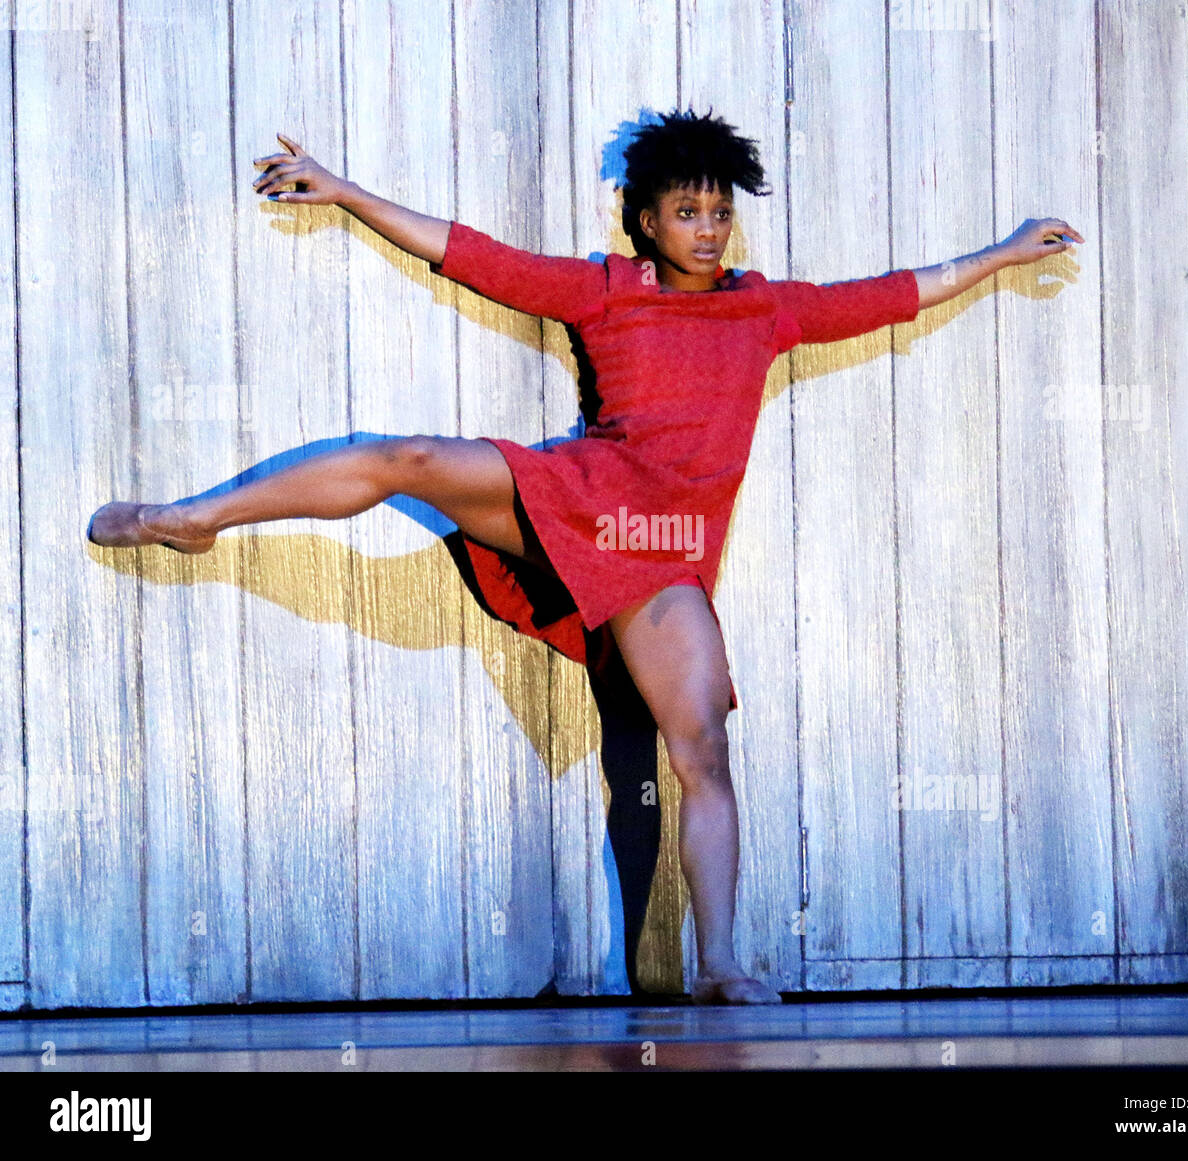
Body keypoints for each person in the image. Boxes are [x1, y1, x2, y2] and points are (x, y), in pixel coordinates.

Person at [88, 108, 1082, 1004]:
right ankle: (196, 516)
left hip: (663, 552)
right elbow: (472, 255)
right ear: (644, 221)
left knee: (699, 753)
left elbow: (894, 293)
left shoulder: (767, 308)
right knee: (408, 457)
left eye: (717, 212)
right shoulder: (604, 291)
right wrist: (346, 191)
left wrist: (1001, 251)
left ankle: (720, 962)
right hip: (579, 498)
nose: (707, 228)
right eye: (686, 211)